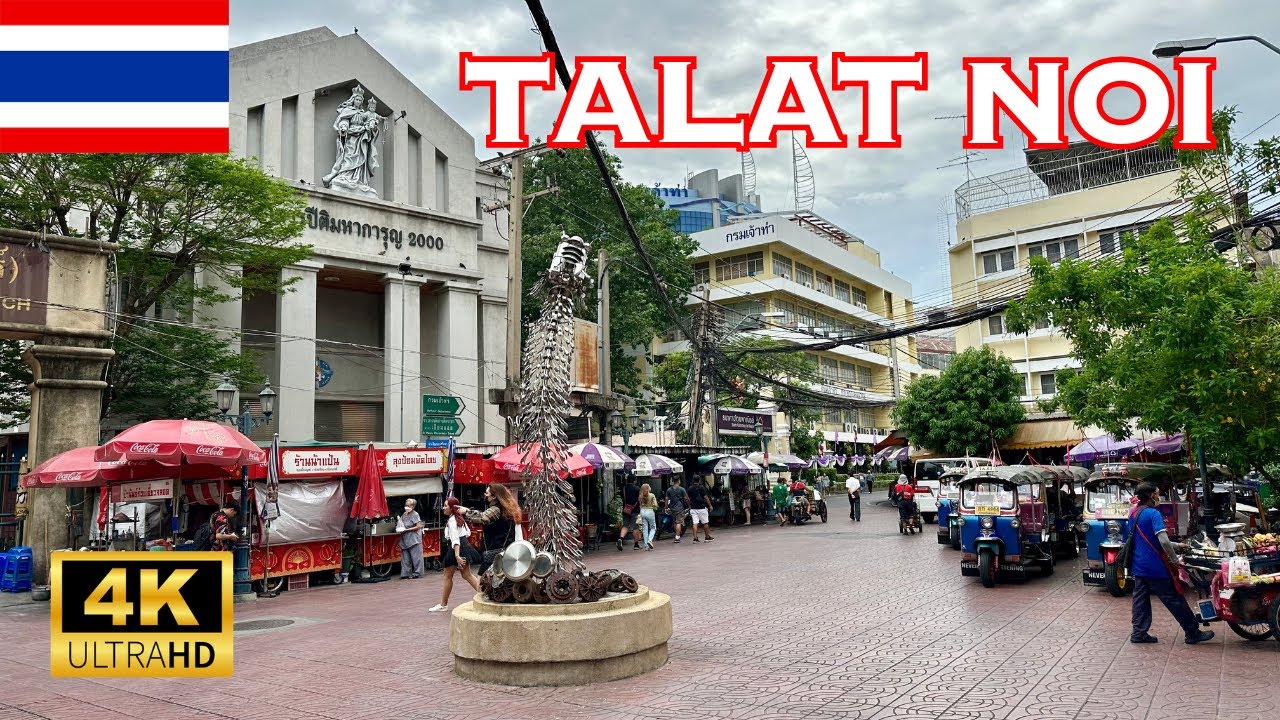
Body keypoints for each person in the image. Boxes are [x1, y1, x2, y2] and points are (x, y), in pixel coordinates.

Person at [1129, 482, 1215, 645]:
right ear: (1150, 495)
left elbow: (1147, 539)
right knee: (1174, 599)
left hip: (1139, 565)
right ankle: (1192, 632)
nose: (1159, 497)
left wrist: (1176, 545)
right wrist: (1175, 559)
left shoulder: (1133, 513)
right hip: (1155, 566)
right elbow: (1163, 541)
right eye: (1157, 493)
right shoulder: (1153, 514)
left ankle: (1138, 633)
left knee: (1140, 601)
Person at [429, 497, 481, 613]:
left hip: (456, 549)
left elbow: (455, 540)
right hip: (463, 546)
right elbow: (467, 533)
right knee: (466, 575)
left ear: (452, 508)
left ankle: (443, 605)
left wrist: (457, 556)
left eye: (445, 506)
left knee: (448, 575)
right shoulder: (459, 518)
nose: (443, 508)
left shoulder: (453, 521)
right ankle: (484, 596)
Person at [464, 484, 523, 574]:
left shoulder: (496, 509)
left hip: (494, 552)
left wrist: (466, 511)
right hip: (504, 551)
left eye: (487, 493)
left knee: (483, 580)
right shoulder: (507, 510)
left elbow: (482, 517)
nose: (485, 495)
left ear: (494, 496)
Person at [397, 498, 425, 579]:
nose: (406, 507)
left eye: (408, 506)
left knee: (416, 558)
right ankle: (405, 574)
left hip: (414, 539)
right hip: (405, 538)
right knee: (405, 558)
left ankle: (417, 573)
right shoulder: (404, 514)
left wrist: (406, 530)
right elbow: (401, 524)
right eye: (406, 505)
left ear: (413, 506)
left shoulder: (415, 514)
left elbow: (418, 526)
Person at [618, 476, 642, 551]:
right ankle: (636, 545)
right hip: (635, 510)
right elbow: (640, 499)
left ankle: (621, 538)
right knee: (635, 527)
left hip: (626, 510)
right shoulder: (637, 488)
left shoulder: (624, 488)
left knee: (625, 526)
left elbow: (622, 498)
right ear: (634, 481)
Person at [687, 477, 714, 543]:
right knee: (705, 523)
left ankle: (695, 538)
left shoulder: (690, 488)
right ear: (699, 480)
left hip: (693, 508)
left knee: (695, 523)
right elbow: (705, 497)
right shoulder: (701, 487)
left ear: (693, 480)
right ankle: (707, 537)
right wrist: (710, 505)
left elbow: (688, 498)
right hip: (701, 507)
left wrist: (689, 505)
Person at [665, 477, 690, 543]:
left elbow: (666, 499)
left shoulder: (669, 490)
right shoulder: (682, 489)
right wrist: (689, 505)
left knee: (675, 522)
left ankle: (677, 534)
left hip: (672, 508)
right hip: (679, 508)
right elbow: (686, 498)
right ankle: (677, 537)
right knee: (679, 522)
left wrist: (666, 507)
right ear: (679, 481)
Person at [638, 483, 659, 550]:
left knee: (645, 529)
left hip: (642, 511)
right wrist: (654, 505)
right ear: (648, 488)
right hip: (650, 511)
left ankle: (646, 546)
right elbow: (655, 505)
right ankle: (650, 540)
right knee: (653, 527)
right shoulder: (652, 495)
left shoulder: (640, 496)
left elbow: (640, 505)